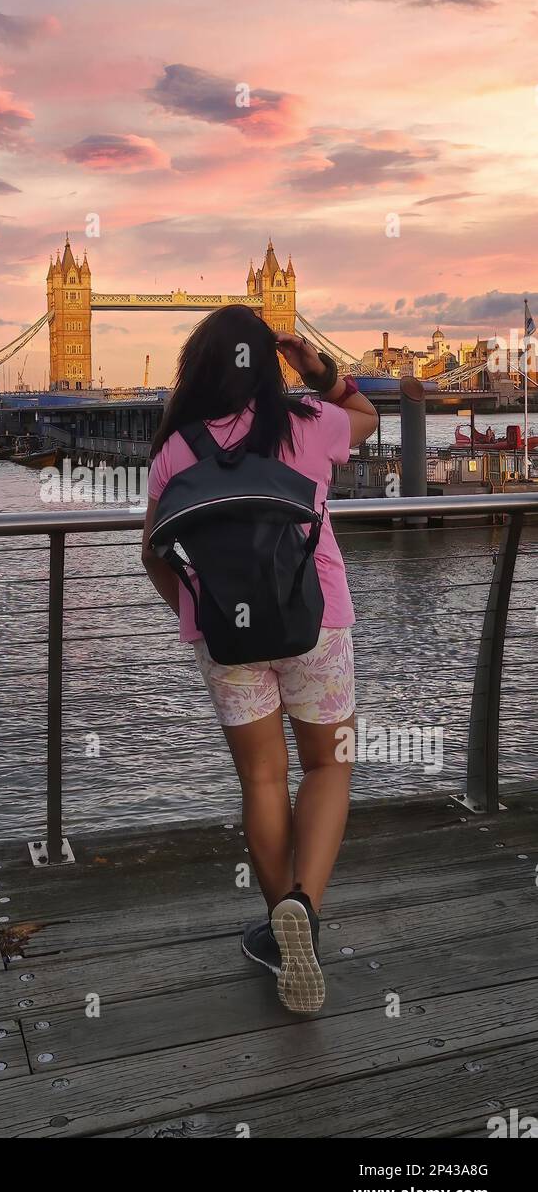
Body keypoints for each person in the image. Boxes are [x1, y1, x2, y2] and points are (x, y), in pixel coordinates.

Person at [141, 307, 378, 1014]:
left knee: (262, 778)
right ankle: (304, 906)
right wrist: (317, 370)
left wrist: (196, 616)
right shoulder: (309, 422)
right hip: (317, 620)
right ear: (266, 365)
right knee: (328, 764)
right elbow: (365, 413)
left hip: (225, 634)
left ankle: (284, 925)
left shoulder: (176, 448)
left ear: (198, 369)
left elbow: (153, 554)